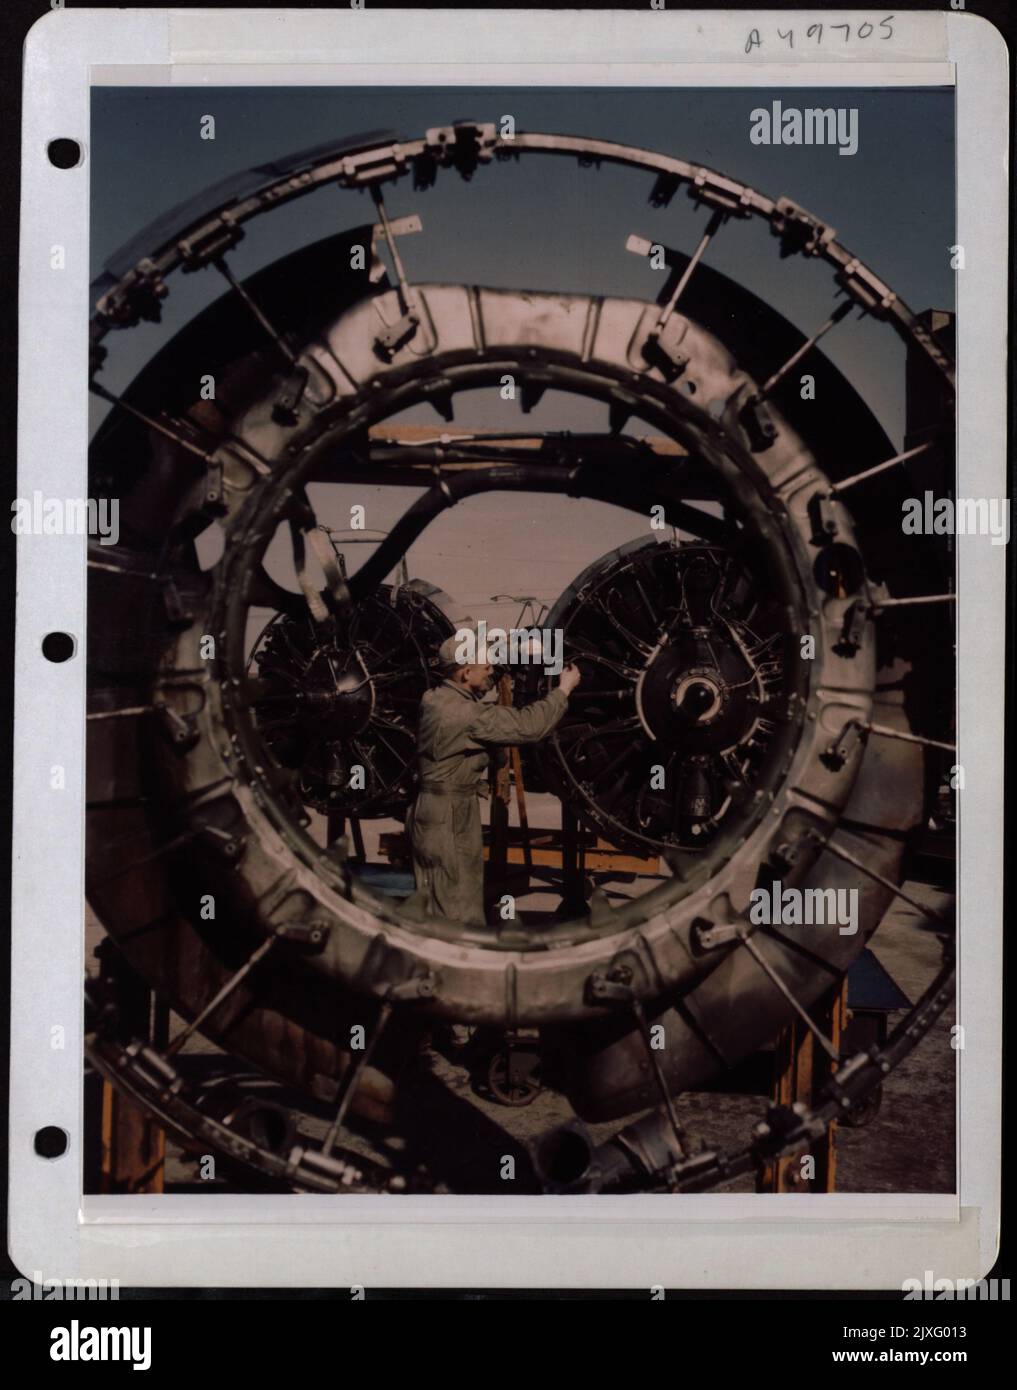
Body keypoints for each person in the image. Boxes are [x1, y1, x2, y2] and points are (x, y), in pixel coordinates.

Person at [403, 637, 581, 927]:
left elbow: (476, 697)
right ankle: (461, 966)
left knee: (436, 901)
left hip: (430, 810)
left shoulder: (434, 698)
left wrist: (501, 659)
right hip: (450, 817)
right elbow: (528, 726)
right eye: (483, 666)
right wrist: (564, 689)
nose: (490, 669)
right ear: (464, 673)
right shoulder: (466, 715)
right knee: (457, 907)